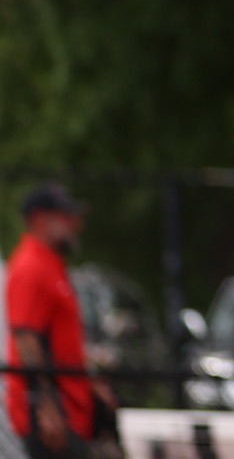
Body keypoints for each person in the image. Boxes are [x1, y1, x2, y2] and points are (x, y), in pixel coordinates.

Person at [5, 184, 115, 459]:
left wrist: (91, 382)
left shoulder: (51, 264)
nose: (76, 225)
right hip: (50, 413)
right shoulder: (30, 266)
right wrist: (44, 404)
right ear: (41, 220)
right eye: (66, 217)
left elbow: (61, 340)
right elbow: (26, 338)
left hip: (70, 406)